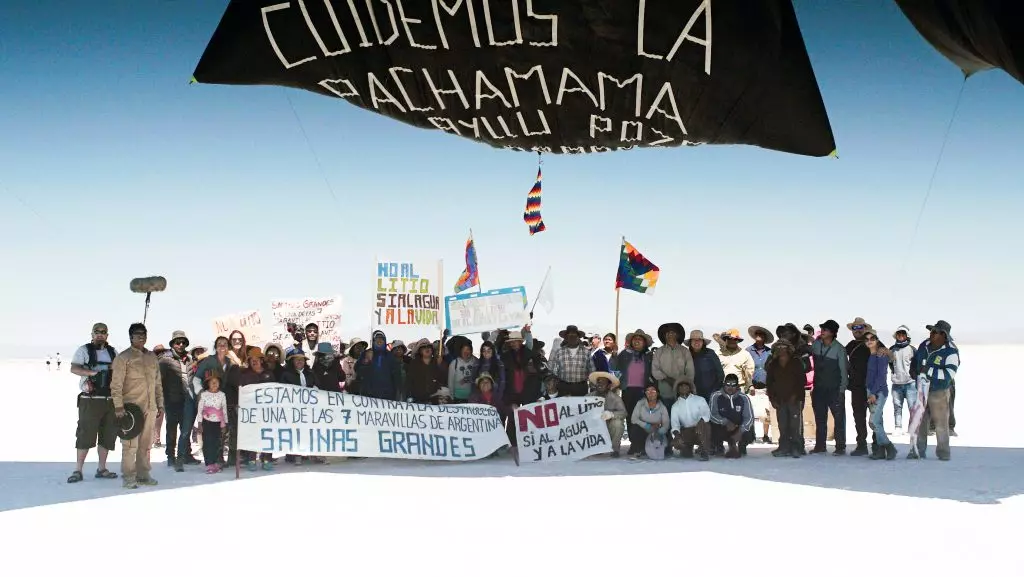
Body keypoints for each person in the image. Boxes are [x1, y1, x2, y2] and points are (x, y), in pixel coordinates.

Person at [110, 323, 164, 489]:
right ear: (131, 337)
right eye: (137, 334)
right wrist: (118, 407)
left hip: (150, 407)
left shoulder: (152, 357)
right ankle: (128, 476)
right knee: (130, 445)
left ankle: (143, 474)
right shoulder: (123, 358)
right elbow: (116, 385)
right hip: (131, 408)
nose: (141, 337)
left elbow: (158, 383)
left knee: (145, 444)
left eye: (144, 334)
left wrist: (160, 404)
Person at [67, 323, 119, 483]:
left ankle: (102, 468)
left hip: (109, 400)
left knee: (108, 435)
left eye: (103, 332)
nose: (100, 335)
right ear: (92, 334)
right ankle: (78, 470)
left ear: (107, 335)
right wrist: (92, 373)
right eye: (97, 332)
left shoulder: (112, 352)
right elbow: (74, 368)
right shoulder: (84, 350)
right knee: (85, 433)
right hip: (90, 400)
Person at [911, 320, 959, 461]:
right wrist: (913, 370)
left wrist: (929, 370)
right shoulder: (924, 345)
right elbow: (916, 361)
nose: (931, 334)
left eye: (935, 332)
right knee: (919, 422)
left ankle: (943, 453)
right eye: (931, 331)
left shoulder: (951, 351)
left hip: (939, 392)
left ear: (943, 335)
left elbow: (949, 374)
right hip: (921, 389)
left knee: (941, 424)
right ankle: (918, 451)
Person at [811, 320, 849, 455]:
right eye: (822, 328)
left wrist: (841, 390)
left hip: (835, 389)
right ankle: (820, 446)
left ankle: (840, 447)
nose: (822, 331)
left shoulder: (839, 349)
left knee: (839, 419)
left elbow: (844, 371)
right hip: (819, 388)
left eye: (825, 329)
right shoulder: (816, 345)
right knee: (820, 418)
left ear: (833, 333)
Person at [159, 330, 194, 472]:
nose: (180, 344)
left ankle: (183, 456)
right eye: (177, 342)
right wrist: (160, 401)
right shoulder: (165, 360)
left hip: (188, 400)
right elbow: (158, 382)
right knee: (171, 430)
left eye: (183, 342)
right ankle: (170, 457)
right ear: (172, 344)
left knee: (186, 430)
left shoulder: (190, 359)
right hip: (171, 401)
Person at [615, 329, 654, 456]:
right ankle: (634, 444)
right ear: (631, 341)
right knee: (630, 417)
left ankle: (642, 444)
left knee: (642, 417)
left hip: (643, 390)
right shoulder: (624, 354)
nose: (637, 341)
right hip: (628, 389)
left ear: (644, 343)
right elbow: (615, 368)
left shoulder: (648, 356)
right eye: (635, 339)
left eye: (640, 339)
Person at [766, 340, 806, 458]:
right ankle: (783, 447)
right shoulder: (773, 364)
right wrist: (772, 398)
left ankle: (796, 448)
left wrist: (795, 396)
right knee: (782, 424)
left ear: (788, 348)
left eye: (783, 346)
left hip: (795, 398)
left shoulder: (796, 362)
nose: (780, 348)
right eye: (778, 347)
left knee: (795, 425)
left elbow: (801, 381)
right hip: (779, 399)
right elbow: (769, 382)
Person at [864, 329, 896, 460]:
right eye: (866, 339)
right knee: (878, 422)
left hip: (878, 392)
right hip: (870, 391)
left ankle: (889, 447)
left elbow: (881, 376)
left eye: (872, 338)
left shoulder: (880, 355)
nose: (869, 341)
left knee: (874, 422)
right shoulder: (872, 354)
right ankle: (881, 452)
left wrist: (873, 393)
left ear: (877, 340)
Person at [709, 374, 754, 458]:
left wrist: (741, 430)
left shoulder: (744, 398)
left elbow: (749, 417)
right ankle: (718, 446)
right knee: (711, 426)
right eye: (728, 384)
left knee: (749, 429)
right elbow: (712, 414)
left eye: (733, 385)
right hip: (722, 426)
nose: (730, 387)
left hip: (738, 427)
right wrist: (725, 422)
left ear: (737, 386)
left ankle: (741, 446)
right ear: (724, 384)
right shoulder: (715, 396)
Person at [670, 381, 712, 461]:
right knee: (685, 454)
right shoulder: (675, 406)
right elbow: (675, 424)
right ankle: (687, 448)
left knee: (705, 425)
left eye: (686, 385)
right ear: (678, 390)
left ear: (690, 388)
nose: (683, 388)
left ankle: (704, 450)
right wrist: (677, 436)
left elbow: (706, 414)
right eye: (681, 386)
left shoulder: (700, 399)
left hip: (700, 429)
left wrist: (701, 422)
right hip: (687, 431)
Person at [194, 375, 228, 474]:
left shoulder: (222, 395)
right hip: (206, 422)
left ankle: (215, 463)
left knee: (217, 443)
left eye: (216, 382)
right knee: (208, 443)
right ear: (208, 384)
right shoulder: (204, 394)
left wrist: (225, 423)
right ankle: (209, 464)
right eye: (212, 382)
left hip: (218, 422)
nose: (214, 384)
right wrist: (199, 423)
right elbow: (200, 409)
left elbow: (224, 409)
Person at [589, 372, 627, 457]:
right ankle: (595, 448)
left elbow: (624, 413)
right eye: (598, 382)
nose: (600, 385)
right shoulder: (588, 397)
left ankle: (614, 450)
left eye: (603, 383)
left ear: (609, 385)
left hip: (609, 427)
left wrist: (611, 414)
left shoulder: (615, 398)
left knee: (618, 424)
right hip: (594, 427)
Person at [548, 325, 594, 396]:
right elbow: (555, 372)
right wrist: (553, 388)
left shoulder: (586, 352)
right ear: (566, 338)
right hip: (563, 388)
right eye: (569, 336)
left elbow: (592, 371)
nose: (572, 338)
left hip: (581, 388)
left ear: (578, 337)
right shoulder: (559, 352)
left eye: (574, 335)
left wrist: (593, 388)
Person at [630, 382, 670, 460]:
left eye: (653, 391)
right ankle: (639, 450)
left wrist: (658, 432)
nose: (650, 393)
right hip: (644, 430)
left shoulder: (662, 406)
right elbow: (634, 419)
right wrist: (647, 425)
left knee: (665, 437)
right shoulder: (640, 403)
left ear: (657, 393)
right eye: (648, 391)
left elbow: (666, 424)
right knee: (635, 428)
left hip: (657, 432)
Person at [889, 325, 916, 434]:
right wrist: (895, 374)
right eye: (898, 334)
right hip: (896, 384)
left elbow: (916, 365)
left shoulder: (912, 349)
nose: (900, 336)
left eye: (902, 334)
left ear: (906, 336)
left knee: (912, 407)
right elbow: (890, 364)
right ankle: (898, 427)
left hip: (910, 383)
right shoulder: (892, 349)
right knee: (897, 406)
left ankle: (913, 427)